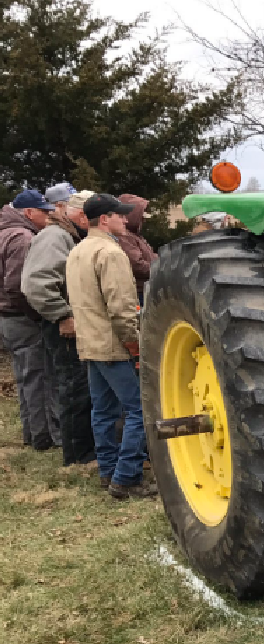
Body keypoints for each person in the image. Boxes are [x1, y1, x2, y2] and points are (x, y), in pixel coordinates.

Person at [66, 193, 155, 498]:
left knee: (102, 411)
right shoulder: (111, 253)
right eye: (119, 215)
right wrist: (134, 344)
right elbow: (122, 308)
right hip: (113, 345)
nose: (125, 219)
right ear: (104, 219)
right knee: (138, 409)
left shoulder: (77, 251)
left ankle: (107, 471)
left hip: (90, 344)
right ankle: (126, 477)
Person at [22, 190, 96, 466]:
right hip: (65, 325)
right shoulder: (56, 237)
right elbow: (35, 283)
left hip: (70, 321)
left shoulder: (65, 235)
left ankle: (83, 451)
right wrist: (63, 316)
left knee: (78, 385)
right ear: (78, 215)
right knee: (74, 386)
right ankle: (78, 457)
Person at [0, 189, 61, 450]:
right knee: (39, 377)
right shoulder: (23, 238)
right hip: (22, 318)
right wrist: (38, 315)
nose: (49, 216)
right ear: (29, 213)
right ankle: (42, 436)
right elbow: (17, 286)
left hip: (7, 318)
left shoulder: (4, 232)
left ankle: (30, 432)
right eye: (44, 212)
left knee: (25, 377)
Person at [116, 194, 156, 303]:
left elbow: (149, 256)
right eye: (141, 217)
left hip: (144, 289)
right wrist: (160, 268)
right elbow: (136, 265)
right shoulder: (124, 237)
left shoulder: (135, 236)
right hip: (138, 292)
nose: (143, 221)